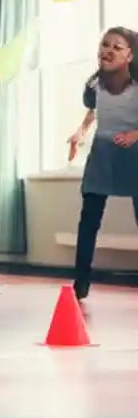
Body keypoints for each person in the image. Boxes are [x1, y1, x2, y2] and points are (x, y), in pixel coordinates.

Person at [66, 27, 138, 300]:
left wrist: (134, 134)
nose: (108, 50)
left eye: (117, 47)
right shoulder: (94, 87)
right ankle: (81, 282)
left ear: (130, 55)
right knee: (89, 219)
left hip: (134, 153)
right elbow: (92, 114)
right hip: (104, 154)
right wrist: (80, 133)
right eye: (105, 45)